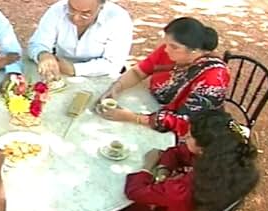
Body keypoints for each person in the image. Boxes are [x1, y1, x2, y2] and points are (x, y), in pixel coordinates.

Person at [109, 110, 260, 211]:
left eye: (188, 137)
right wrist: (164, 169)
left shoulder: (185, 187)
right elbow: (176, 153)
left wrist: (147, 166)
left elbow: (135, 192)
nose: (185, 137)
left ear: (203, 150)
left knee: (118, 207)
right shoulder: (230, 161)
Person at [98, 17, 230, 137]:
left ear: (194, 50)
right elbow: (138, 72)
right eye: (166, 44)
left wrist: (132, 117)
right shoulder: (168, 52)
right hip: (154, 108)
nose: (166, 50)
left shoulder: (213, 76)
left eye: (173, 47)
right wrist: (116, 87)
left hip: (190, 135)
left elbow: (185, 123)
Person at [28, 0, 133, 79]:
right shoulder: (57, 10)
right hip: (59, 71)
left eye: (85, 13)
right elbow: (37, 43)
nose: (76, 18)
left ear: (101, 7)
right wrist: (43, 54)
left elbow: (114, 64)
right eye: (72, 9)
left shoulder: (119, 19)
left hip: (99, 77)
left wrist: (75, 69)